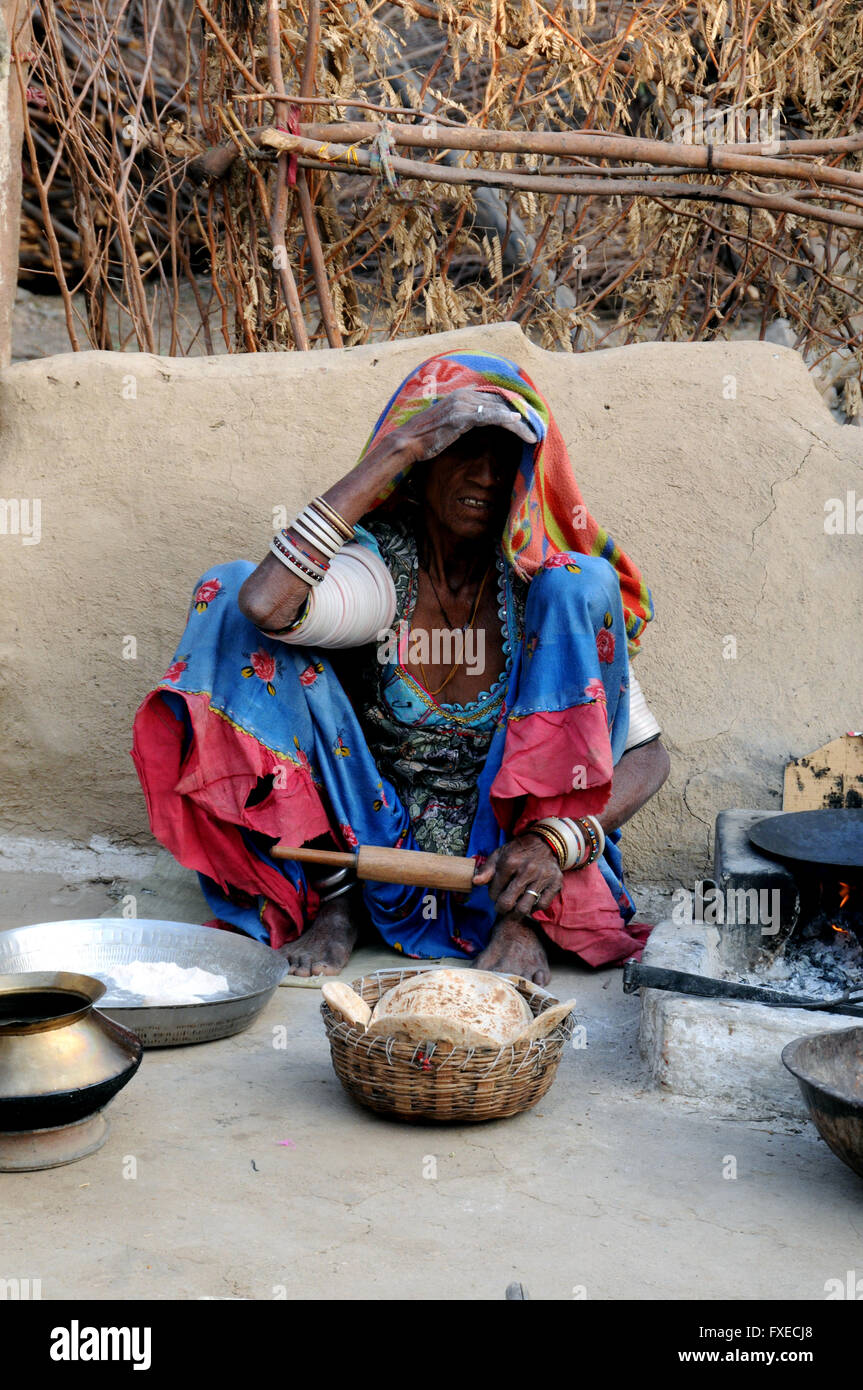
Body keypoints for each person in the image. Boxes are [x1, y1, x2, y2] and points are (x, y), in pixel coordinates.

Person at [132, 350, 669, 986]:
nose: (488, 475)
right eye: (462, 448)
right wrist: (399, 446)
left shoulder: (540, 587)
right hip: (370, 848)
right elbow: (263, 604)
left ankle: (523, 923)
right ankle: (336, 899)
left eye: (506, 457)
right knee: (228, 592)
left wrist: (553, 843)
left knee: (584, 581)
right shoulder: (383, 571)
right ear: (421, 465)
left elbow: (648, 757)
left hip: (509, 862)